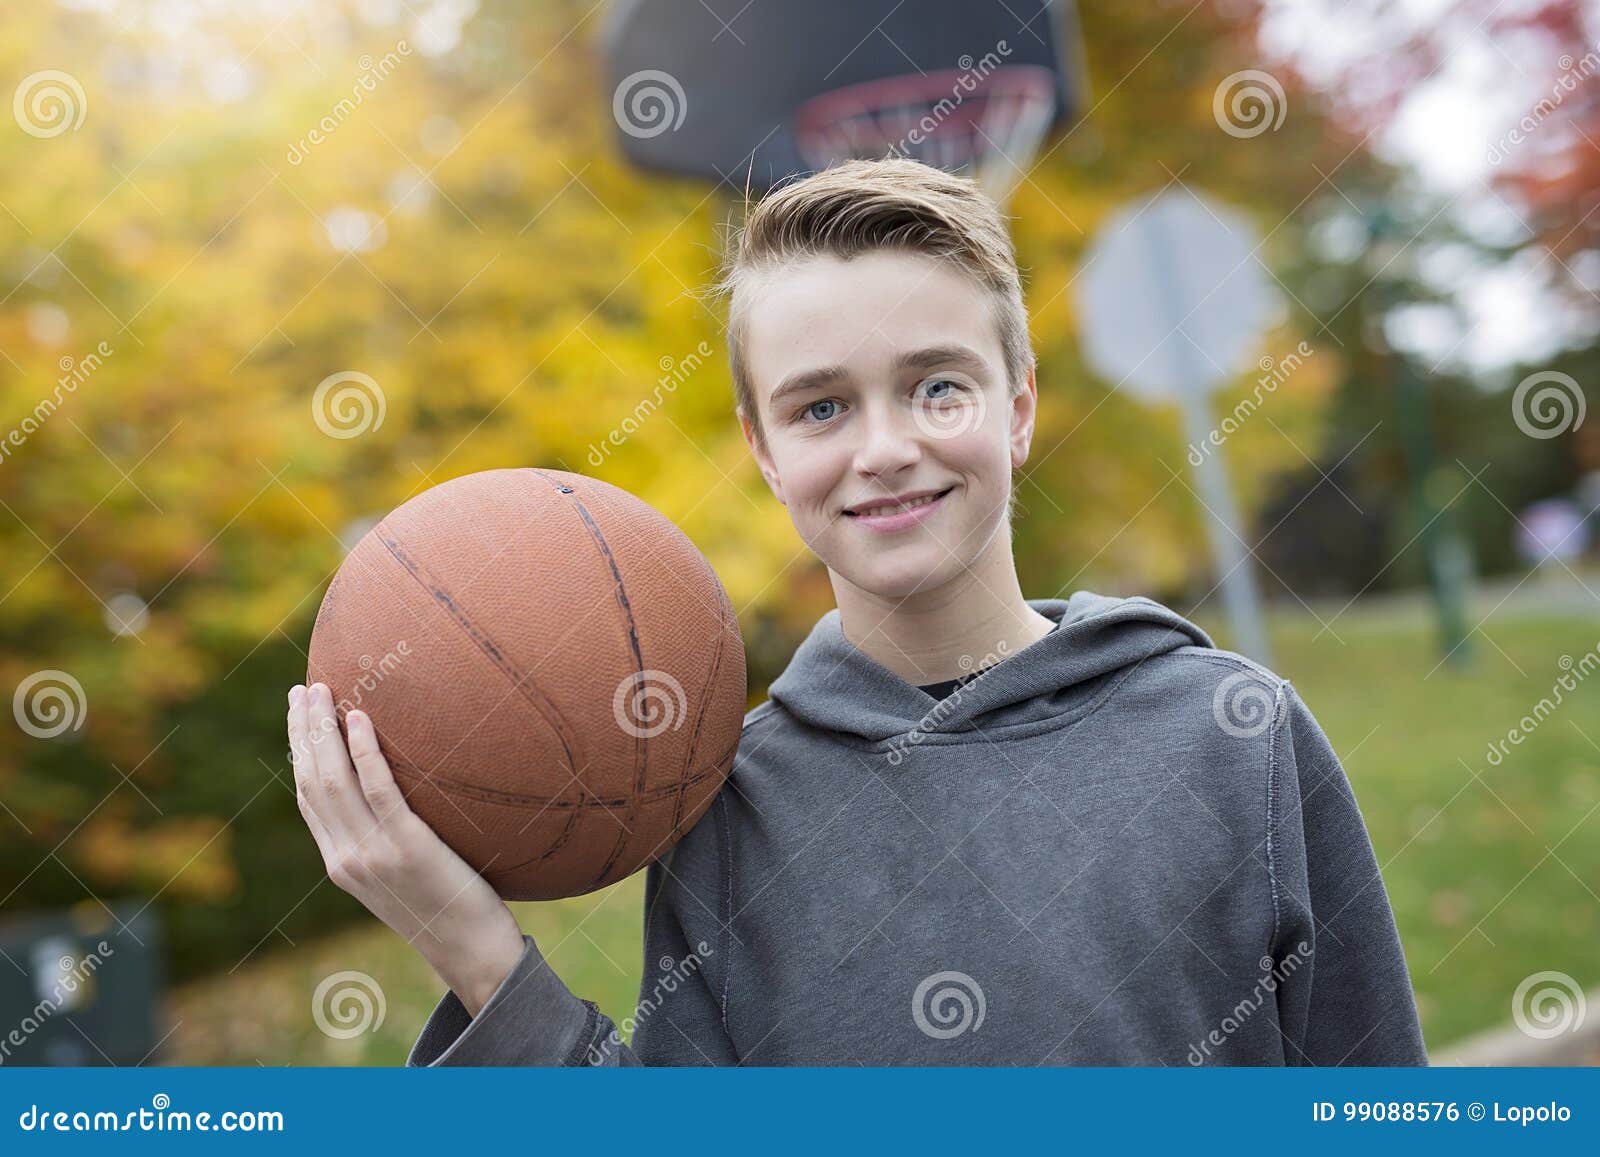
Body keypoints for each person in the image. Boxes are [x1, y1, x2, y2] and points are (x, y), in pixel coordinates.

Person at [286, 158, 1428, 1066]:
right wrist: (477, 952)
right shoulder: (726, 811)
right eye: (822, 405)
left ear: (1017, 407)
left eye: (938, 385)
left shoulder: (1230, 732)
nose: (885, 449)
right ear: (766, 452)